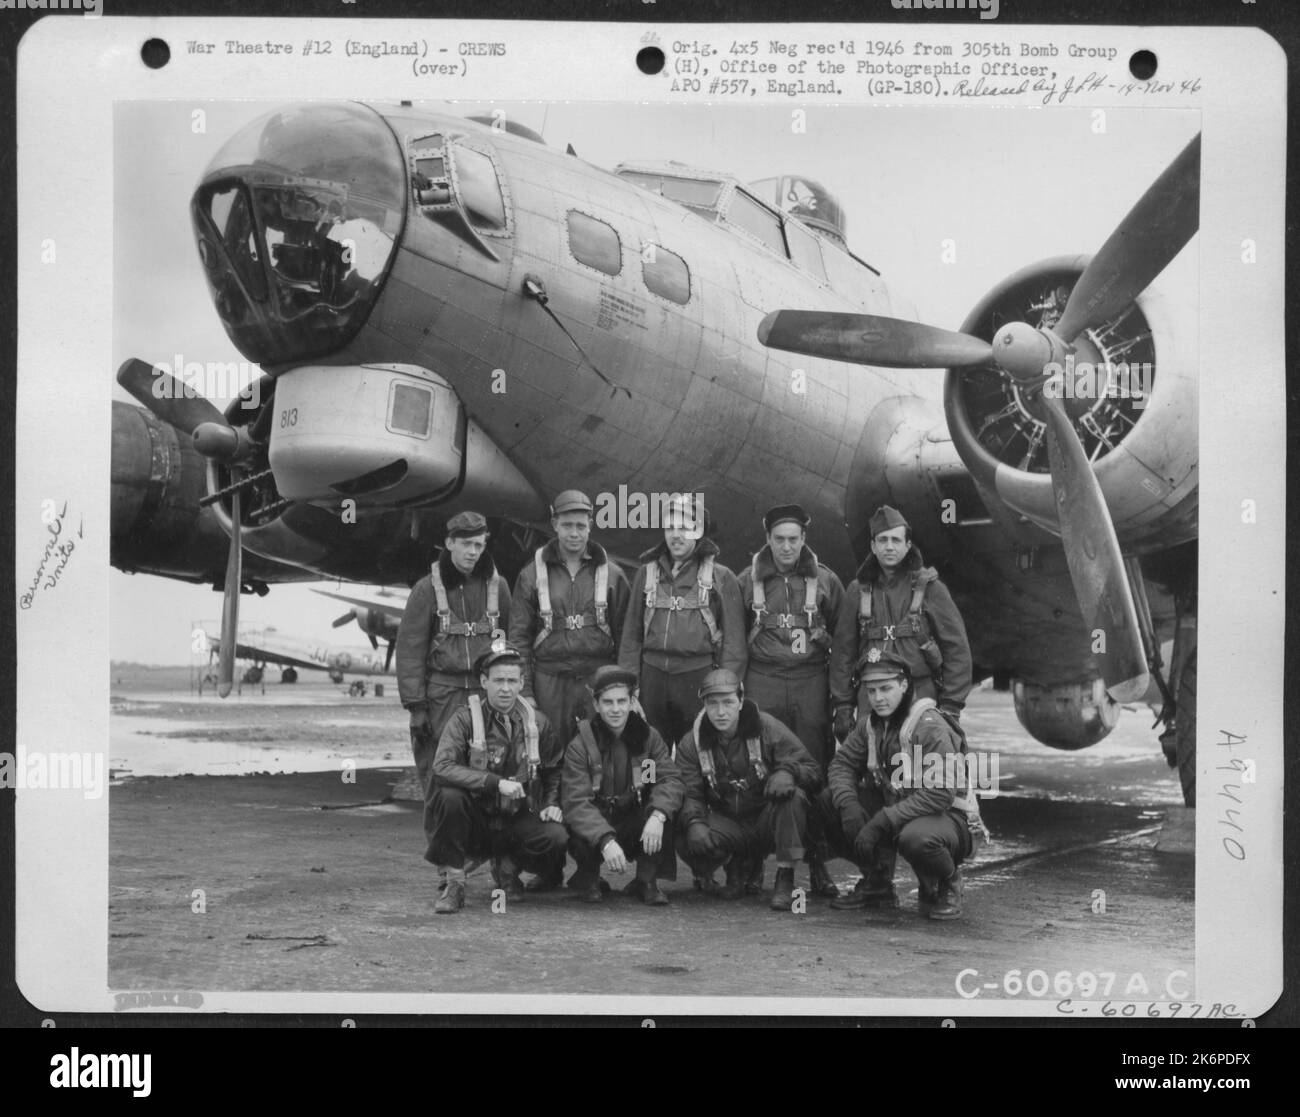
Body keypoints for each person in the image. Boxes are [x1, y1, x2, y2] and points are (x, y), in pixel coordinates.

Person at [396, 511, 513, 885]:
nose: (474, 552)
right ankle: (449, 868)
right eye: (466, 544)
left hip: (486, 695)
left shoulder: (499, 588)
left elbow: (508, 644)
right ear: (449, 543)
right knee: (439, 781)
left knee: (495, 774)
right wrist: (416, 708)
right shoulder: (425, 590)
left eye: (479, 545)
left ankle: (501, 861)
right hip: (441, 694)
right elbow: (410, 650)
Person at [738, 503, 845, 897]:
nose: (786, 547)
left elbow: (842, 642)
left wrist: (840, 700)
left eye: (793, 540)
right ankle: (752, 859)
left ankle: (817, 861)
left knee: (812, 769)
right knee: (757, 765)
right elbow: (735, 638)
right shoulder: (745, 581)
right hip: (762, 680)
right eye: (779, 539)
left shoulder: (827, 583)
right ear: (768, 540)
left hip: (809, 682)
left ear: (804, 540)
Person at [817, 651, 972, 919]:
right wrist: (848, 804)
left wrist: (881, 821)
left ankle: (948, 882)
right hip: (899, 812)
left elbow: (940, 794)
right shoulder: (871, 726)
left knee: (917, 839)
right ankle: (877, 883)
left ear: (904, 685)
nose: (878, 698)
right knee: (828, 801)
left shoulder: (928, 726)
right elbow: (841, 765)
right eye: (872, 690)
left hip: (945, 819)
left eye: (886, 688)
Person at [426, 645, 568, 914]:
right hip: (477, 818)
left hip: (517, 815)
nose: (505, 688)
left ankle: (509, 867)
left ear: (522, 683)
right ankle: (455, 883)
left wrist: (551, 803)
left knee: (556, 836)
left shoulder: (537, 723)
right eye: (498, 680)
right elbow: (442, 766)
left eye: (512, 681)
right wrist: (494, 782)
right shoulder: (464, 719)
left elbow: (554, 769)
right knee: (449, 797)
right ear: (484, 682)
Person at [675, 670, 823, 910]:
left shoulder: (767, 727)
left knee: (794, 798)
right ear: (703, 704)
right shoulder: (691, 742)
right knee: (681, 829)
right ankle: (735, 864)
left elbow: (813, 769)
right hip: (729, 822)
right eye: (713, 704)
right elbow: (689, 791)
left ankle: (785, 876)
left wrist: (789, 771)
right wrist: (693, 822)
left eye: (728, 703)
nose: (721, 712)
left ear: (741, 701)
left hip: (767, 819)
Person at [830, 505, 971, 742]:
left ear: (907, 546)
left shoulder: (931, 589)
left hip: (920, 694)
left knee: (922, 768)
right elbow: (843, 653)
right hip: (872, 697)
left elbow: (957, 649)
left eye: (896, 540)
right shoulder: (858, 591)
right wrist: (843, 705)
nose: (889, 546)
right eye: (882, 540)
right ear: (873, 546)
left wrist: (951, 705)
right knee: (871, 765)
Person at [618, 497, 747, 753]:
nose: (676, 535)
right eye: (670, 528)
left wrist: (724, 689)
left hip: (697, 679)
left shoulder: (721, 577)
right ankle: (652, 789)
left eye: (685, 527)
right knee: (647, 748)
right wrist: (627, 686)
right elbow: (631, 637)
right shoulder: (647, 574)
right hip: (652, 679)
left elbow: (734, 643)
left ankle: (694, 793)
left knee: (699, 749)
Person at [561, 666, 684, 905]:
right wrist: (605, 839)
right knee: (575, 825)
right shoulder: (581, 744)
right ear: (596, 705)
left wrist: (657, 815)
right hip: (597, 818)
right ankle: (589, 877)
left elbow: (667, 780)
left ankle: (646, 879)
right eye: (608, 702)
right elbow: (576, 802)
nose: (615, 709)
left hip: (633, 816)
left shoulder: (648, 737)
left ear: (631, 702)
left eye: (621, 701)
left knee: (664, 811)